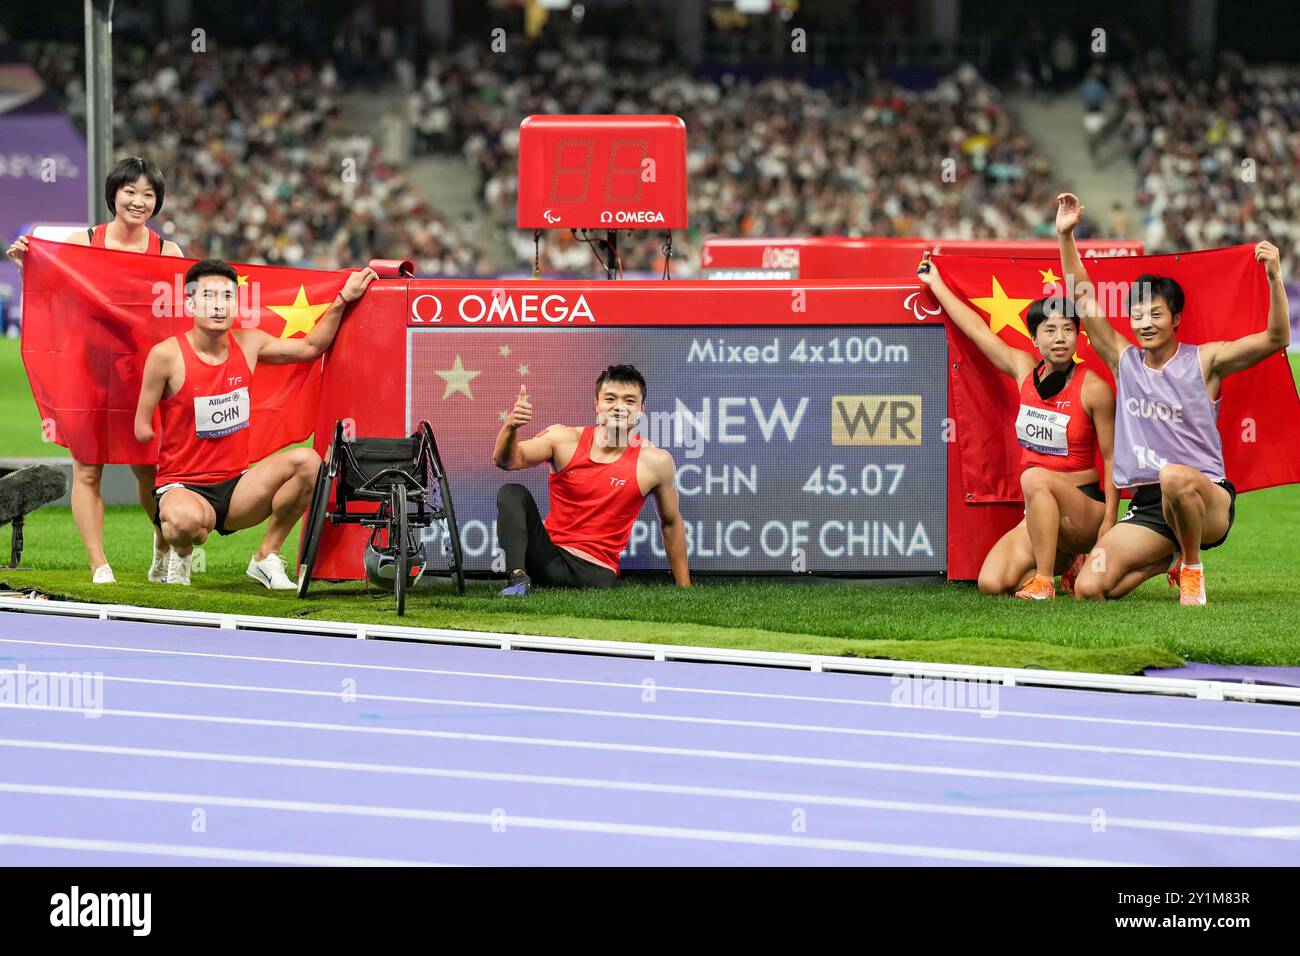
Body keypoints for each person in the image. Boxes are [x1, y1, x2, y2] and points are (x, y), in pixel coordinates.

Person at [1057, 191, 1291, 604]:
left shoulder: (1206, 361)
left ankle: (1193, 567)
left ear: (1176, 318)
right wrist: (1066, 237)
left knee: (1174, 476)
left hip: (1205, 499)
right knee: (1089, 589)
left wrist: (1274, 275)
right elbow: (1082, 298)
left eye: (1156, 314)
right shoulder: (1124, 361)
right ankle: (1165, 561)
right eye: (1138, 316)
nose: (1145, 324)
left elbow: (1277, 338)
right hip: (1149, 505)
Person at [133, 258, 378, 587]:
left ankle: (266, 556)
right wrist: (158, 498)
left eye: (227, 297)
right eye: (209, 296)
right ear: (190, 303)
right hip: (183, 486)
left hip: (237, 488)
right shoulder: (166, 355)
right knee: (186, 524)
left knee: (308, 462)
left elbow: (310, 346)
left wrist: (343, 299)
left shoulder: (249, 342)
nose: (219, 305)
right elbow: (140, 427)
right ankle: (177, 550)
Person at [7, 156, 185, 584]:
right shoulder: (82, 241)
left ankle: (162, 549)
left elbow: (180, 315)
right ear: (114, 195)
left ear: (157, 202)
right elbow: (54, 289)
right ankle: (98, 564)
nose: (138, 201)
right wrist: (27, 265)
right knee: (88, 469)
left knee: (150, 470)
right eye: (130, 191)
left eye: (148, 194)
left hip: (144, 378)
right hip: (87, 373)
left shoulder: (169, 252)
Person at [918, 251, 1117, 599]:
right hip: (1039, 509)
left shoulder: (1094, 388)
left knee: (1034, 477)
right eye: (1050, 330)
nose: (1060, 338)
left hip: (1084, 510)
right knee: (991, 584)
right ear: (1034, 339)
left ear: (1078, 338)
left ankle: (1044, 581)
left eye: (1069, 330)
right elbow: (977, 331)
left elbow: (1114, 458)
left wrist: (1108, 524)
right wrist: (936, 284)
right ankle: (1066, 562)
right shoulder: (1024, 371)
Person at [491, 365, 690, 595]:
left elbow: (671, 523)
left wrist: (684, 588)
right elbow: (505, 461)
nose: (619, 407)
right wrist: (511, 427)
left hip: (596, 573)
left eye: (629, 401)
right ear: (597, 404)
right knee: (511, 492)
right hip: (548, 561)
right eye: (610, 399)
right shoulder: (564, 439)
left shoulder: (656, 462)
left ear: (641, 409)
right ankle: (518, 581)